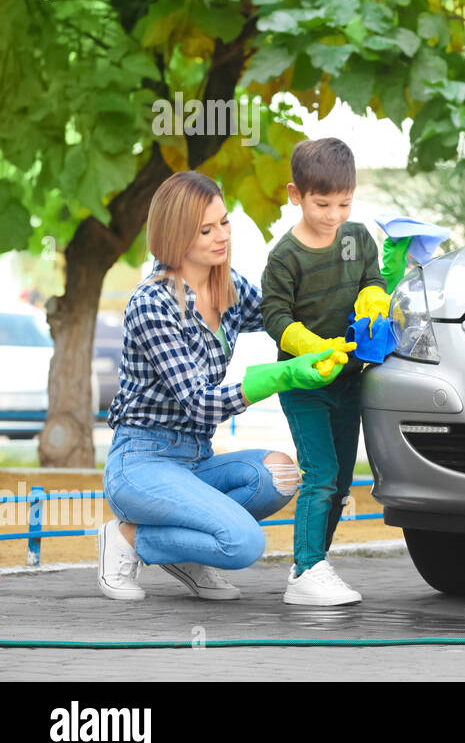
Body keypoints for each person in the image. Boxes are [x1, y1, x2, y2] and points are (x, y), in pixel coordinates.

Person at [99, 171, 343, 601]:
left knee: (280, 474)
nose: (221, 236)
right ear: (175, 235)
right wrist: (276, 376)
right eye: (205, 229)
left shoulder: (227, 288)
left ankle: (187, 552)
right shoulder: (152, 303)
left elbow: (284, 307)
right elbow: (197, 403)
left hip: (196, 459)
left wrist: (370, 285)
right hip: (141, 462)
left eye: (224, 222)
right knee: (243, 543)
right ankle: (129, 538)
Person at [261, 138, 389, 605]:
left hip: (350, 378)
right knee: (321, 472)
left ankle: (315, 563)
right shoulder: (284, 257)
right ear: (296, 195)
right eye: (322, 204)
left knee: (338, 482)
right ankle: (305, 570)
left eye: (344, 203)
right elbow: (274, 316)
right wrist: (312, 350)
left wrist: (374, 299)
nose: (334, 215)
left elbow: (373, 279)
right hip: (304, 383)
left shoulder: (357, 238)